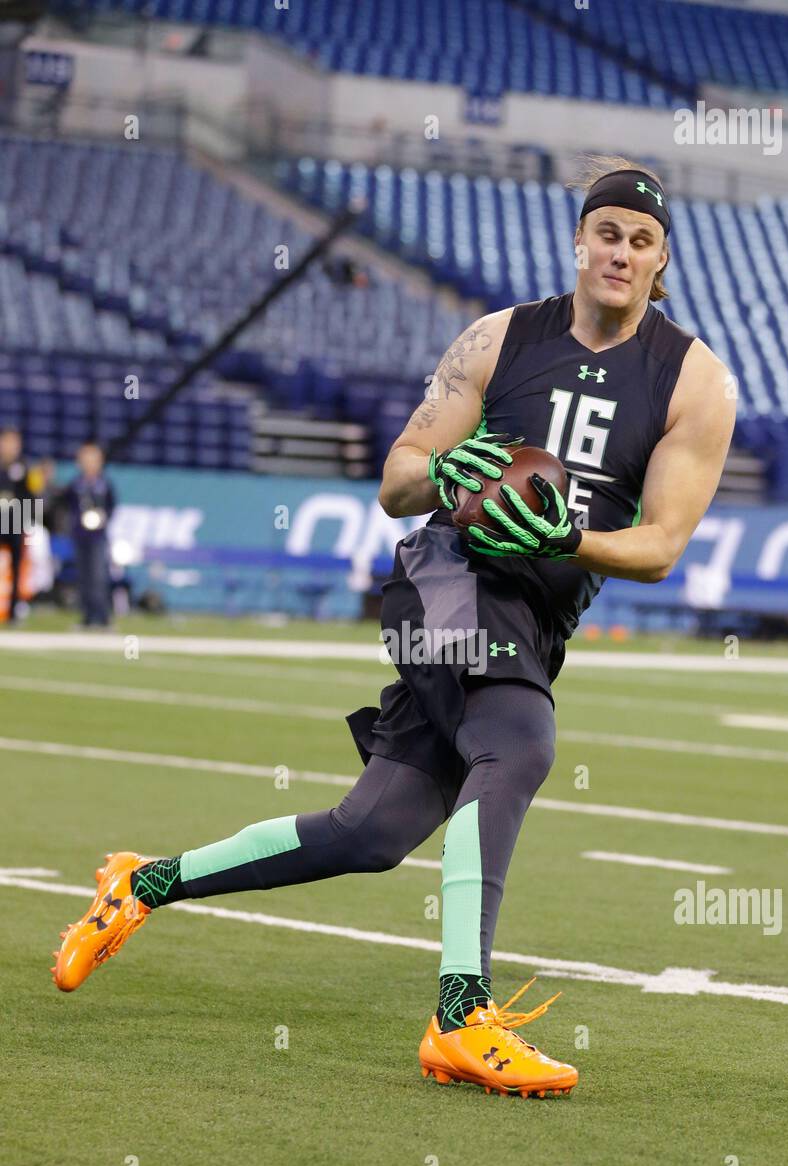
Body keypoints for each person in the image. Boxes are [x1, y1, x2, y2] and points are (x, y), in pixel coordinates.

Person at [52, 159, 735, 1101]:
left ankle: (143, 882)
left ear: (663, 261)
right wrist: (455, 473)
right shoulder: (498, 339)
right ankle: (461, 1017)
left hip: (536, 616)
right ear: (579, 242)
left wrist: (566, 535)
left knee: (371, 831)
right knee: (520, 743)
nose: (620, 252)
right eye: (606, 233)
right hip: (446, 575)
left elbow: (661, 546)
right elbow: (397, 479)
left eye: (641, 240)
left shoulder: (696, 381)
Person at [64, 440, 116, 628]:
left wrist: (103, 517)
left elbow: (112, 507)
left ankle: (102, 617)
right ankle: (87, 616)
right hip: (79, 536)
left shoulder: (104, 484)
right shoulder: (76, 484)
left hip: (97, 537)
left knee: (98, 577)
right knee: (83, 578)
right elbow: (65, 503)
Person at [0, 425, 33, 622]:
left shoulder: (24, 467)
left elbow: (30, 496)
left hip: (14, 521)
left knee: (17, 567)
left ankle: (13, 610)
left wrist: (26, 521)